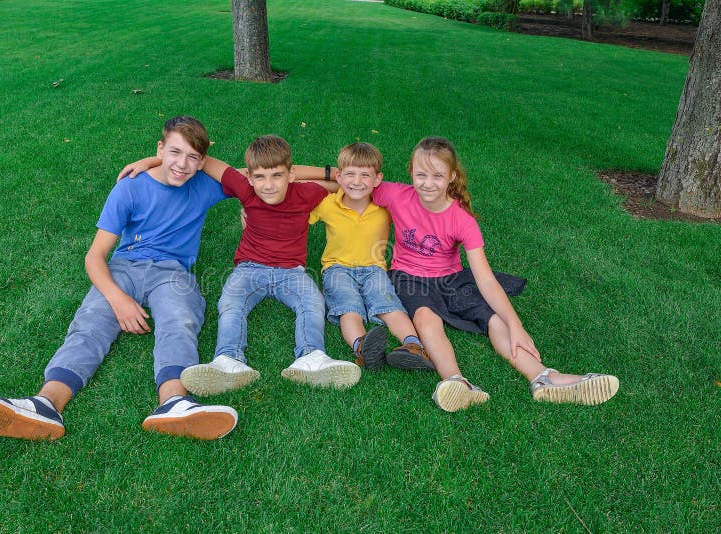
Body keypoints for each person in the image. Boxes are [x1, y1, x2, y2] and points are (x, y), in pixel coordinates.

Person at [0, 116, 239, 441]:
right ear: (160, 148)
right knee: (91, 322)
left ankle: (175, 403)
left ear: (202, 161)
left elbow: (253, 178)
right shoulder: (130, 187)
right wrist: (119, 300)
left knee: (179, 319)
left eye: (193, 157)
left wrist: (310, 176)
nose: (182, 164)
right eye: (174, 152)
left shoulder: (203, 184)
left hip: (172, 273)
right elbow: (94, 256)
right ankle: (45, 404)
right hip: (124, 268)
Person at [373, 136, 619, 412]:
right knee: (426, 318)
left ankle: (543, 377)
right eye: (420, 175)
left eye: (437, 176)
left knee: (494, 320)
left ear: (451, 177)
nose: (427, 183)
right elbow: (352, 180)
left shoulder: (462, 220)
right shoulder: (396, 194)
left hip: (452, 280)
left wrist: (516, 325)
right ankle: (456, 383)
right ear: (410, 173)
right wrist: (319, 177)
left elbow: (486, 279)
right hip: (408, 278)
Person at [121, 135, 361, 396]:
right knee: (230, 303)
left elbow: (341, 183)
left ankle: (312, 356)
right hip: (249, 268)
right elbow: (207, 161)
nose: (268, 186)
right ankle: (228, 360)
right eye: (259, 177)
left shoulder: (306, 192)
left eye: (277, 176)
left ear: (291, 174)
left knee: (312, 301)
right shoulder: (245, 188)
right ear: (249, 177)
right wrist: (152, 160)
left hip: (292, 271)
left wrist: (330, 174)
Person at [309, 142, 433, 371]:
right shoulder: (327, 203)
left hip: (375, 268)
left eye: (365, 175)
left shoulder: (385, 206)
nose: (357, 182)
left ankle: (413, 347)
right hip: (337, 268)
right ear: (338, 176)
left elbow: (422, 208)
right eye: (350, 174)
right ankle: (362, 347)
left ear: (378, 179)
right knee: (348, 308)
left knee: (389, 305)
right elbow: (292, 191)